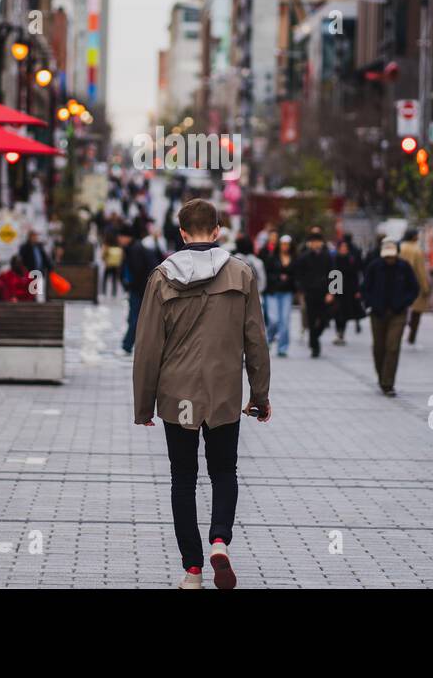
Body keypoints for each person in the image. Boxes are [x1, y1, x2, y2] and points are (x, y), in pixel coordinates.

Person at [132, 198, 270, 590]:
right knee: (224, 471)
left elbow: (147, 347)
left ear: (180, 232)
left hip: (179, 396)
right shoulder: (241, 274)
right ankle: (219, 540)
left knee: (183, 479)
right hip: (224, 392)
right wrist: (259, 394)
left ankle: (192, 570)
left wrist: (144, 405)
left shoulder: (162, 277)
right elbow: (256, 341)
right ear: (217, 231)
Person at [362, 240, 418, 396]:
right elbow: (365, 287)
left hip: (398, 313)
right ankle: (382, 376)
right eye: (387, 256)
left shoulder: (404, 267)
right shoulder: (375, 266)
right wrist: (370, 303)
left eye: (392, 256)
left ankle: (388, 383)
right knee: (379, 348)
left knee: (392, 347)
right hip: (377, 313)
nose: (389, 260)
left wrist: (404, 303)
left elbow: (414, 288)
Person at [293, 227, 334, 358]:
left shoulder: (328, 257)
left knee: (324, 319)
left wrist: (332, 292)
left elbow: (335, 274)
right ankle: (315, 345)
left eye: (318, 242)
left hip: (324, 293)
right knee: (310, 319)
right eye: (313, 242)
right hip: (309, 293)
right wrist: (301, 291)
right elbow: (298, 275)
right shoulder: (304, 257)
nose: (316, 244)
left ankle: (314, 337)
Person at [120, 224, 158, 354]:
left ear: (127, 237)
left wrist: (132, 286)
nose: (119, 239)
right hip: (139, 289)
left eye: (121, 236)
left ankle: (128, 344)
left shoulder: (135, 249)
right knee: (135, 318)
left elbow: (138, 271)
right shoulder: (133, 247)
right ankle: (130, 344)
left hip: (139, 290)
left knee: (135, 318)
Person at [262, 235, 296, 357]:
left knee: (285, 321)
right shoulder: (272, 258)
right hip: (272, 292)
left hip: (287, 293)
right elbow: (266, 273)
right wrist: (278, 278)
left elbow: (297, 275)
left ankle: (283, 347)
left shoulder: (294, 258)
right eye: (283, 244)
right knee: (273, 319)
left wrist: (290, 280)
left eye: (287, 244)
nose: (285, 246)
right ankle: (268, 339)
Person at [397, 229, 432, 346]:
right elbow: (421, 271)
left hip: (400, 283)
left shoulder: (400, 247)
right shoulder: (417, 250)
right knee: (416, 312)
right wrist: (425, 287)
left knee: (401, 309)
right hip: (414, 284)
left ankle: (398, 332)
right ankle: (412, 335)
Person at [330, 238, 363, 345]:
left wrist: (357, 290)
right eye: (342, 247)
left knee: (345, 312)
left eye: (345, 248)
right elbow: (332, 274)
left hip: (348, 289)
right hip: (337, 287)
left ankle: (341, 332)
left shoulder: (351, 259)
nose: (344, 249)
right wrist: (332, 290)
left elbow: (355, 275)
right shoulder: (335, 259)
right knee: (336, 311)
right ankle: (338, 331)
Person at [233, 235, 267, 325]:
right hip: (256, 298)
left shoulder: (231, 260)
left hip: (236, 297)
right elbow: (262, 281)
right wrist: (257, 291)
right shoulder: (258, 262)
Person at [102, 230, 125, 298]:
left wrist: (105, 260)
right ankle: (114, 293)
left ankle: (104, 291)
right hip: (116, 265)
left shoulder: (106, 245)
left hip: (108, 265)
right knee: (114, 279)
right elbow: (122, 255)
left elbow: (103, 255)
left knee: (105, 278)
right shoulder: (118, 244)